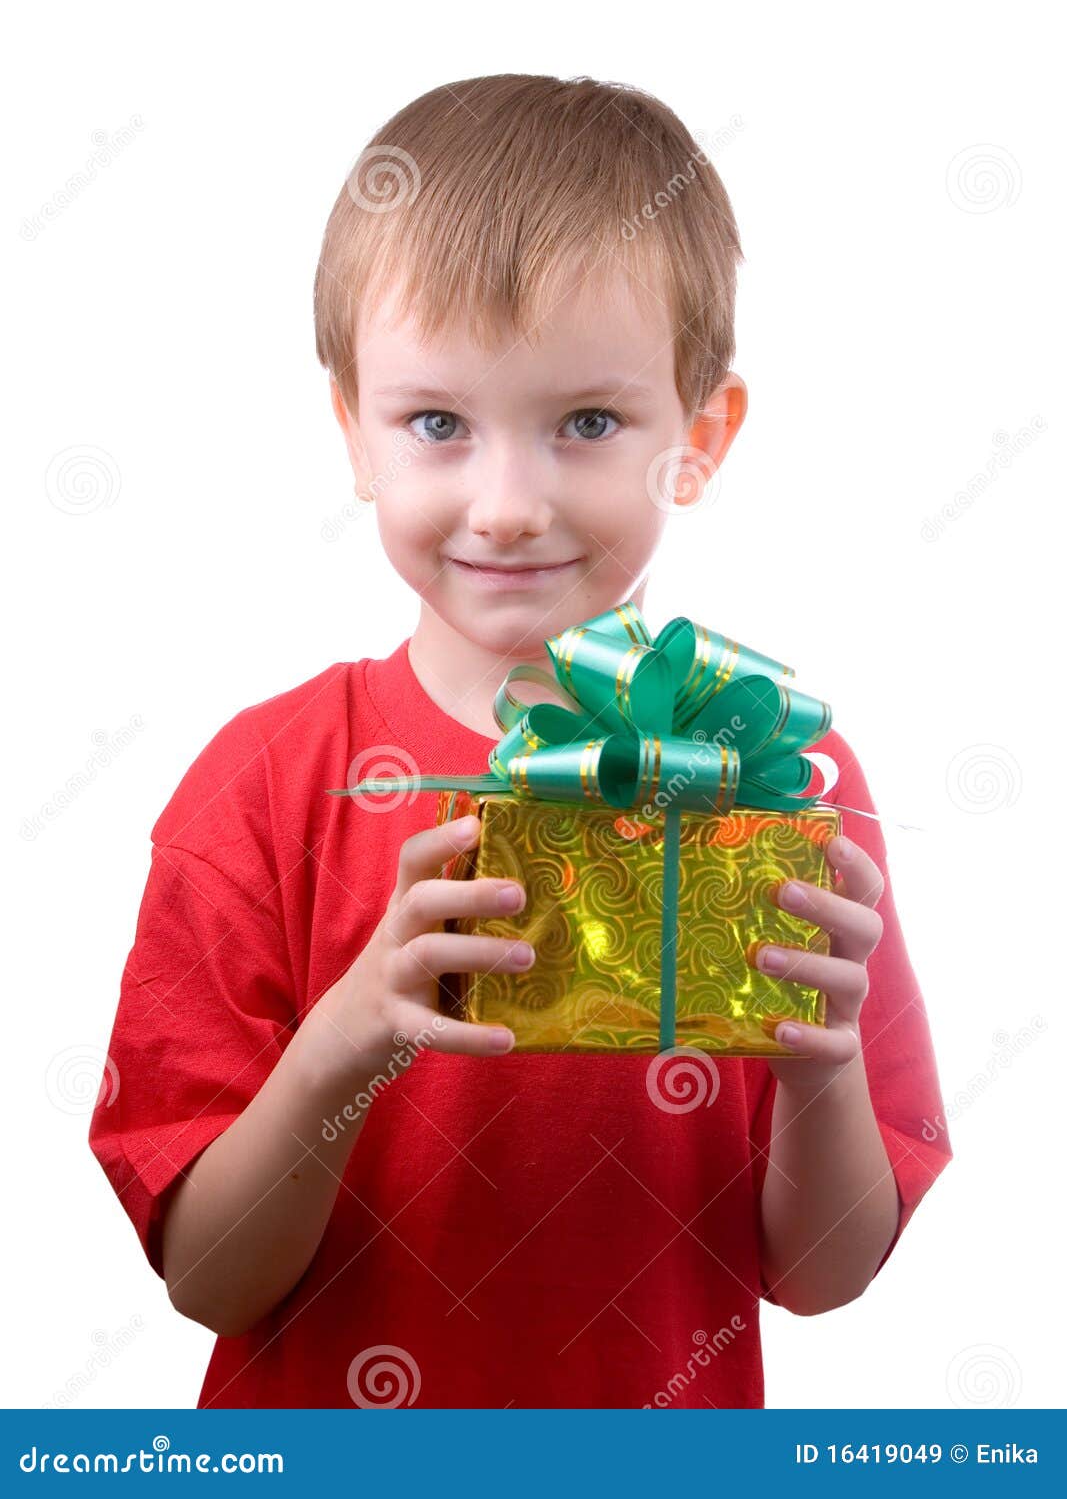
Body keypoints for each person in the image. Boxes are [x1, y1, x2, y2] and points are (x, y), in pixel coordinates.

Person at [88, 73, 952, 1409]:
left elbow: (824, 1275)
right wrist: (344, 1042)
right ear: (354, 434)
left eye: (587, 423)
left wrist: (820, 1070)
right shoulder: (262, 785)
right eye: (438, 423)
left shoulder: (784, 776)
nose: (505, 505)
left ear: (700, 437)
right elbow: (207, 1279)